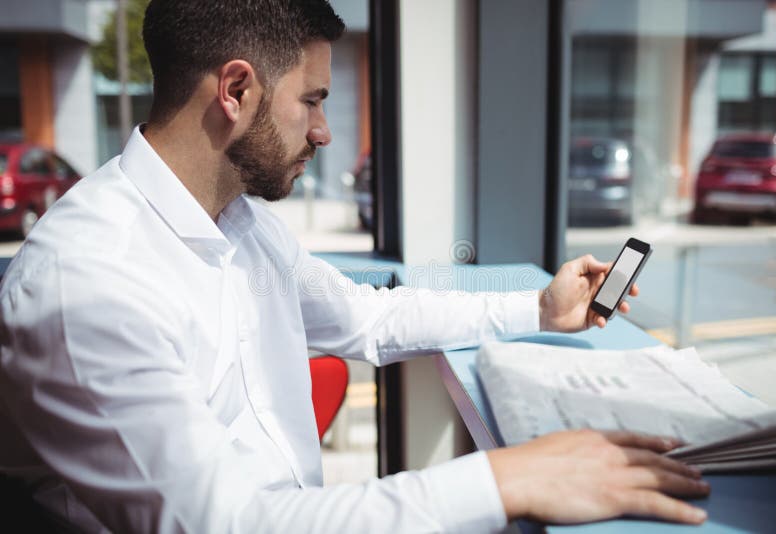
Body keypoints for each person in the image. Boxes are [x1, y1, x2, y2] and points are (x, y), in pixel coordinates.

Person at [0, 1, 710, 531]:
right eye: (311, 100)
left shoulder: (244, 225)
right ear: (236, 91)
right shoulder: (88, 286)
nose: (324, 130)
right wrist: (504, 480)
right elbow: (232, 524)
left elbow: (368, 315)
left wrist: (537, 311)